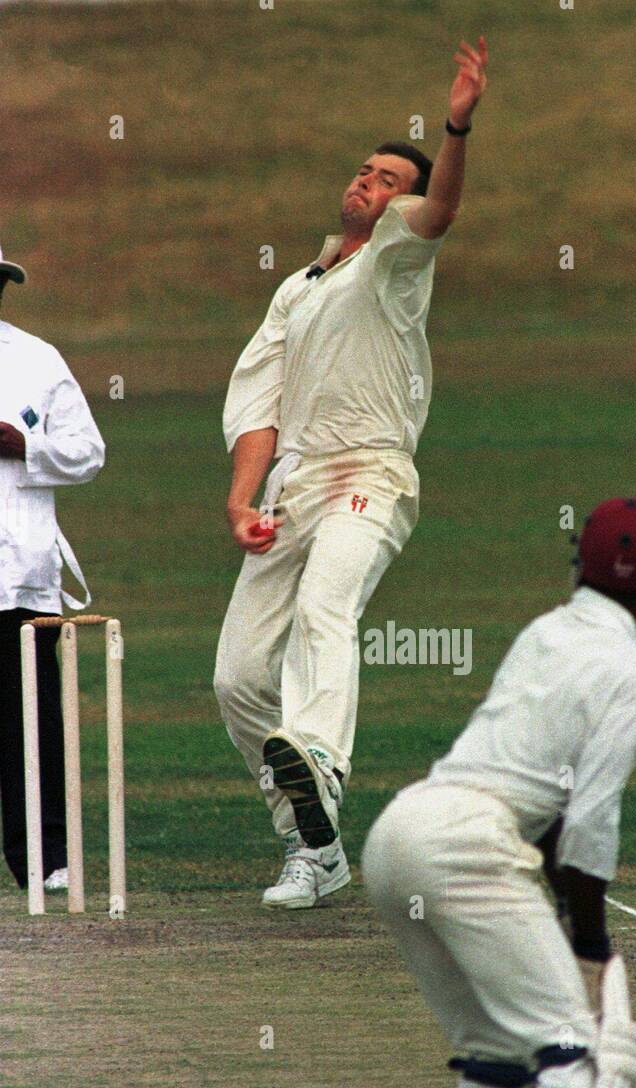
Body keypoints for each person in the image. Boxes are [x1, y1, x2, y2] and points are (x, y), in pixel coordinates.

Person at [214, 38, 489, 910]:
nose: (366, 182)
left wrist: (454, 126)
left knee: (328, 607)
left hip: (372, 472)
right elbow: (260, 402)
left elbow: (442, 208)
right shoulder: (297, 285)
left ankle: (322, 758)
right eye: (363, 171)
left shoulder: (396, 257)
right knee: (238, 680)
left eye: (384, 177)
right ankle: (314, 842)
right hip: (293, 486)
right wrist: (240, 499)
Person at [362, 499, 636, 1088]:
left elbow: (551, 803)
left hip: (398, 834)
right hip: (468, 845)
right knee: (571, 1046)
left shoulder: (544, 632)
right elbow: (589, 821)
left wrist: (567, 913)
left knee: (496, 1050)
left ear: (578, 565)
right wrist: (591, 947)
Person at [0, 245, 105, 894]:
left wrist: (24, 446)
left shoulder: (37, 359)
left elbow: (88, 452)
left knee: (33, 729)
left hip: (24, 575)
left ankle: (47, 862)